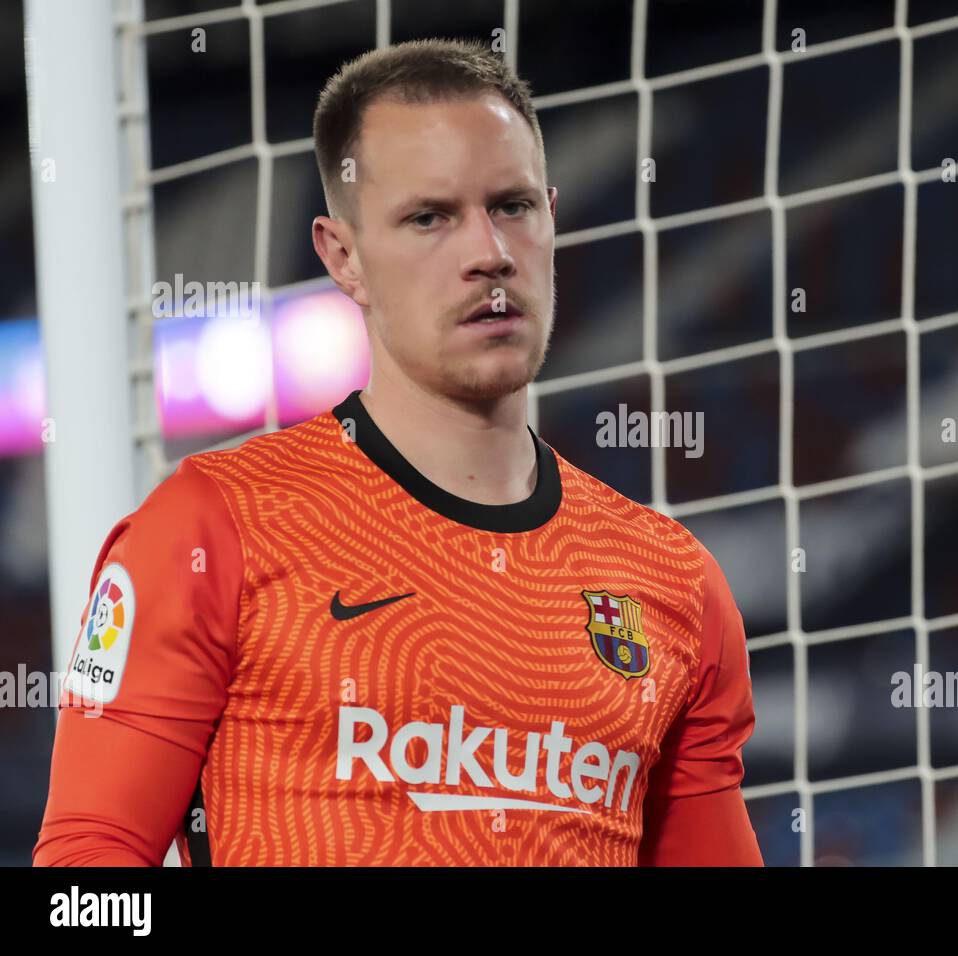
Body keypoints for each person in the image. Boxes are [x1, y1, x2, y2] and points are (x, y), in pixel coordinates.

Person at [33, 37, 762, 866]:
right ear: (344, 257)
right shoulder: (213, 528)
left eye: (513, 206)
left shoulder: (673, 583)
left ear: (552, 218)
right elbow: (86, 874)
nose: (487, 252)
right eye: (430, 218)